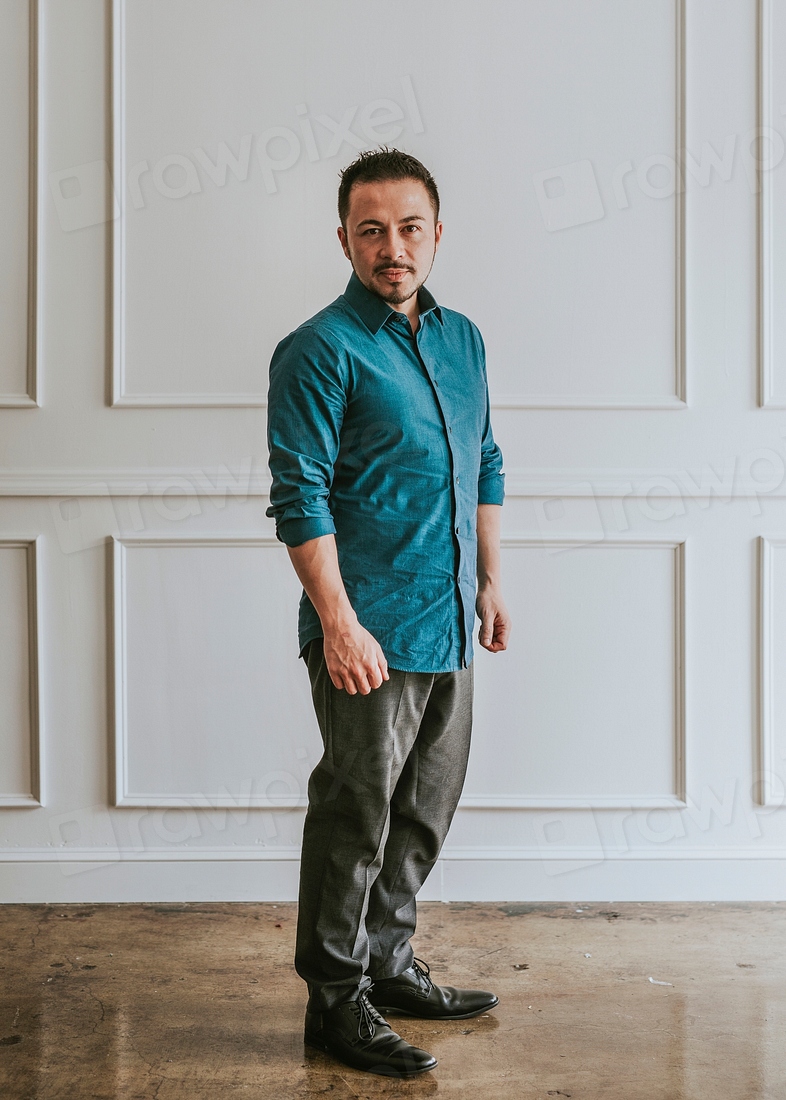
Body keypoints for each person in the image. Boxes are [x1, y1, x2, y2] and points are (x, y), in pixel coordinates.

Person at [266, 148, 511, 1078]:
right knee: (355, 816)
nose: (392, 247)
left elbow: (484, 459)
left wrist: (489, 581)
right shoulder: (319, 349)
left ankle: (389, 963)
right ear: (345, 239)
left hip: (448, 617)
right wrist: (336, 620)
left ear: (437, 233)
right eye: (371, 230)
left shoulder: (464, 341)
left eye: (410, 227)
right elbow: (301, 497)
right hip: (365, 632)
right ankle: (335, 1000)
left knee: (423, 813)